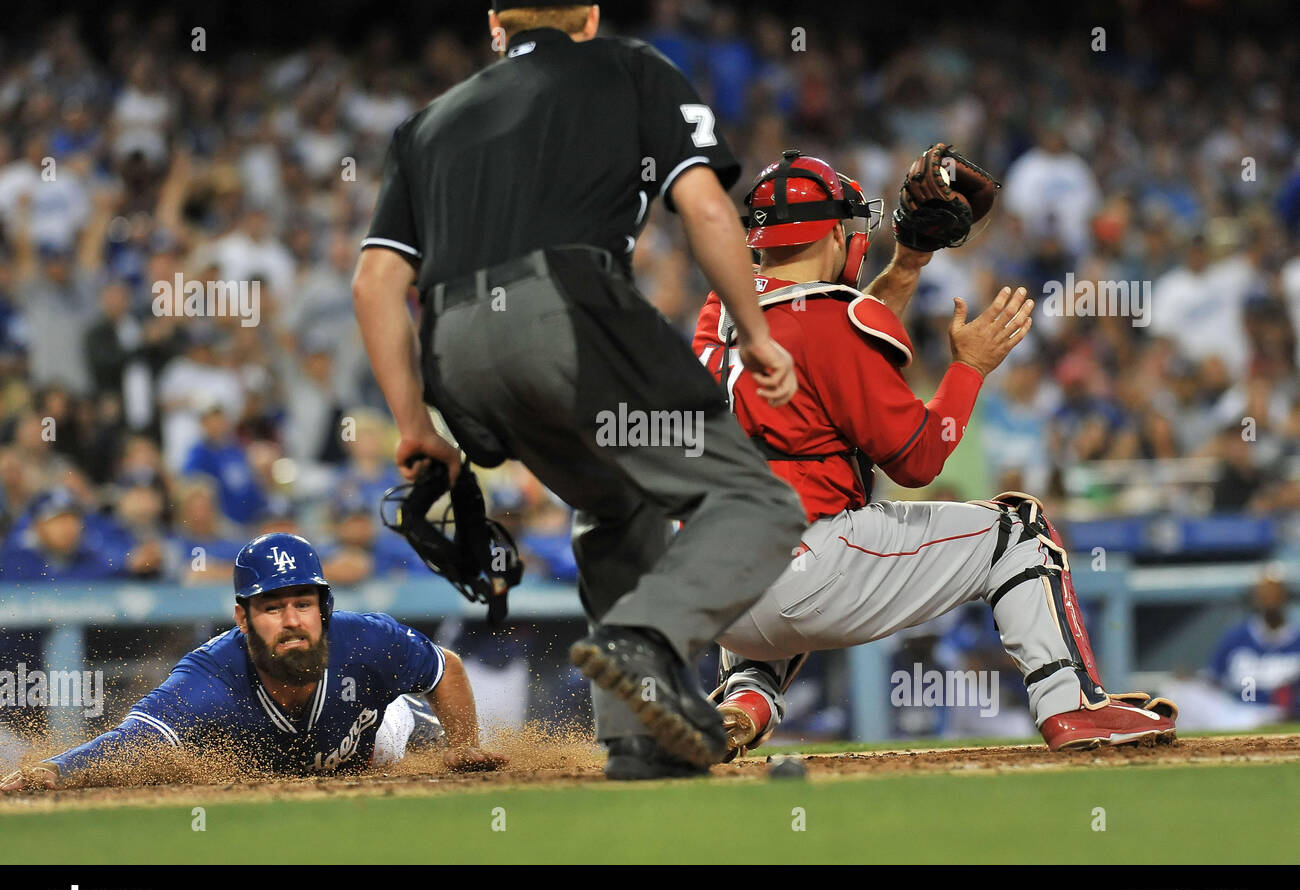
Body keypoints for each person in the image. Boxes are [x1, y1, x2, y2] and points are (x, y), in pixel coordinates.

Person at [351, 3, 805, 779]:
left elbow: (374, 282)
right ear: (589, 17)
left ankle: (640, 735)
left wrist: (413, 424)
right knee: (758, 502)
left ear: (495, 25)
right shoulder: (632, 67)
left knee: (618, 502)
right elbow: (701, 203)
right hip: (566, 312)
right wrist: (756, 331)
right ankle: (648, 635)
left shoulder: (427, 124)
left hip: (457, 349)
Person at [692, 149, 1178, 757]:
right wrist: (969, 369)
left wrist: (908, 264)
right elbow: (916, 461)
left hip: (715, 589)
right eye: (849, 226)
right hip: (808, 572)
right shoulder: (831, 322)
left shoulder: (719, 312)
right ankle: (1071, 707)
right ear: (834, 234)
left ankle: (744, 698)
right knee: (1018, 531)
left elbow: (829, 342)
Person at [1, 533, 505, 791]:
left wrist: (465, 748)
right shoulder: (209, 678)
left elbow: (446, 670)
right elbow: (132, 742)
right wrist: (54, 771)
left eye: (303, 604)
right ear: (242, 618)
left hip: (379, 739)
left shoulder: (367, 639)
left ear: (323, 608)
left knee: (418, 743)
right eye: (272, 607)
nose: (291, 620)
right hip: (278, 778)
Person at [1208, 571, 1300, 719]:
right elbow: (1214, 680)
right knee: (1178, 691)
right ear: (1255, 599)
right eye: (1265, 595)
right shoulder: (1236, 637)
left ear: (1286, 597)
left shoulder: (1297, 638)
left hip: (1283, 714)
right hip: (1237, 712)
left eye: (1275, 594)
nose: (1270, 601)